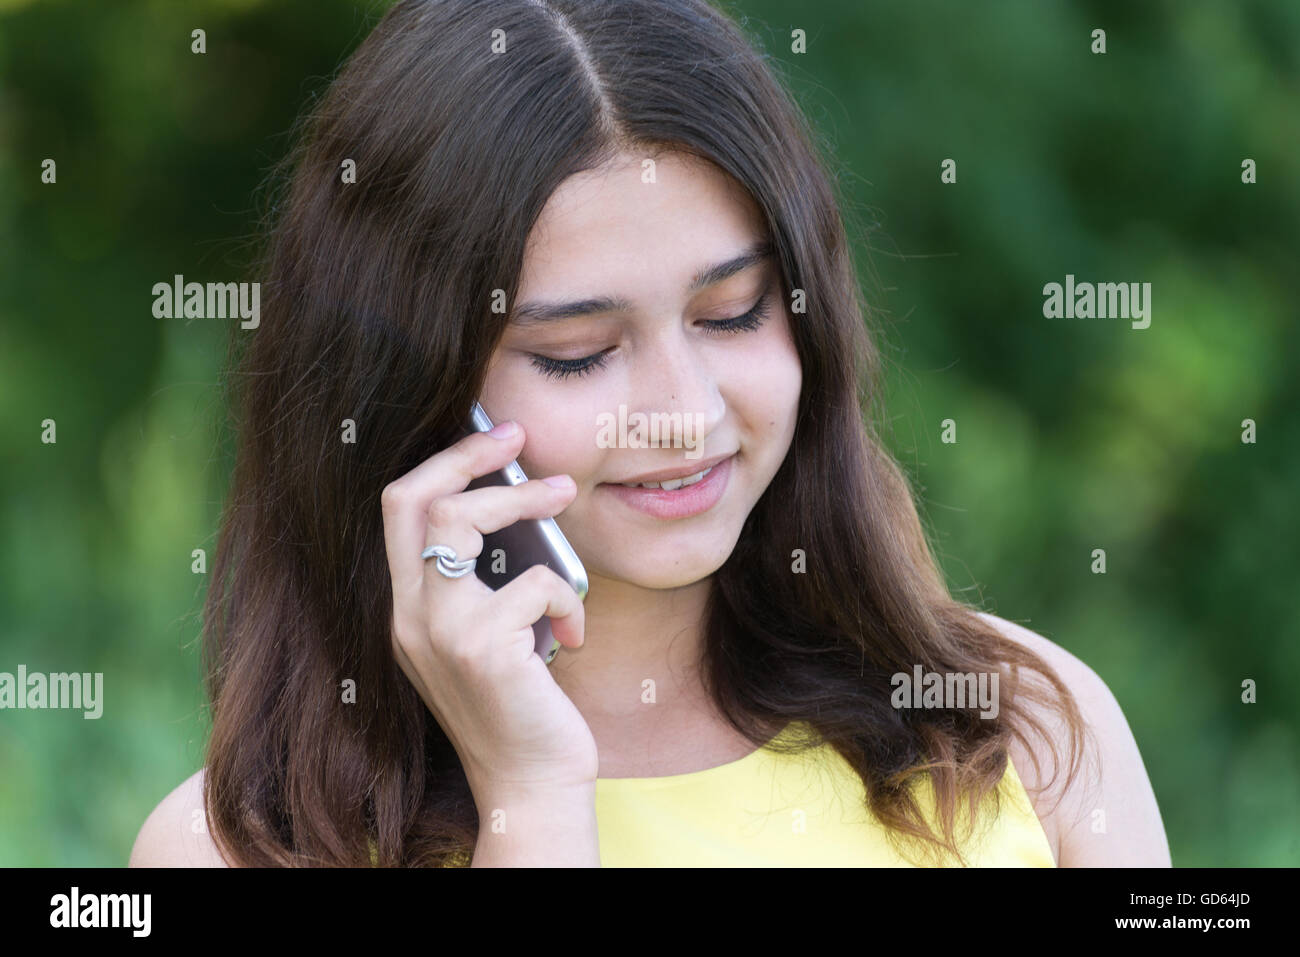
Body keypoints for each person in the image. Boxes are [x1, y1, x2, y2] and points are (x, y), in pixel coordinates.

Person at [130, 0, 1169, 867]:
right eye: (578, 351)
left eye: (733, 315)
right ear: (411, 389)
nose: (684, 411)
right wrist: (530, 800)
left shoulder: (1022, 729)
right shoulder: (240, 848)